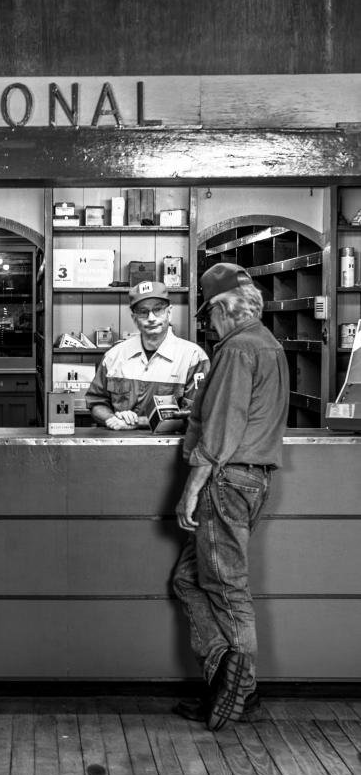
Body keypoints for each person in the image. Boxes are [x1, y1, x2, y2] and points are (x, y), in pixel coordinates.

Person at [171, 262, 289, 730]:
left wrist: (190, 491)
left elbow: (221, 431)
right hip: (252, 480)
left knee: (226, 586)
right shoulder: (269, 343)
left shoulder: (237, 349)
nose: (209, 324)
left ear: (223, 308)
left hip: (225, 480)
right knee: (188, 578)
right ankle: (226, 673)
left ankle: (243, 687)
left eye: (208, 314)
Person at [86, 280, 209, 432]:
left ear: (169, 312)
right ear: (134, 318)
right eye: (143, 312)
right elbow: (96, 401)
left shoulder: (193, 357)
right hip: (119, 442)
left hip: (168, 444)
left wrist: (137, 422)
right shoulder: (114, 355)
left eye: (158, 309)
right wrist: (111, 418)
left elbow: (195, 414)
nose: (151, 318)